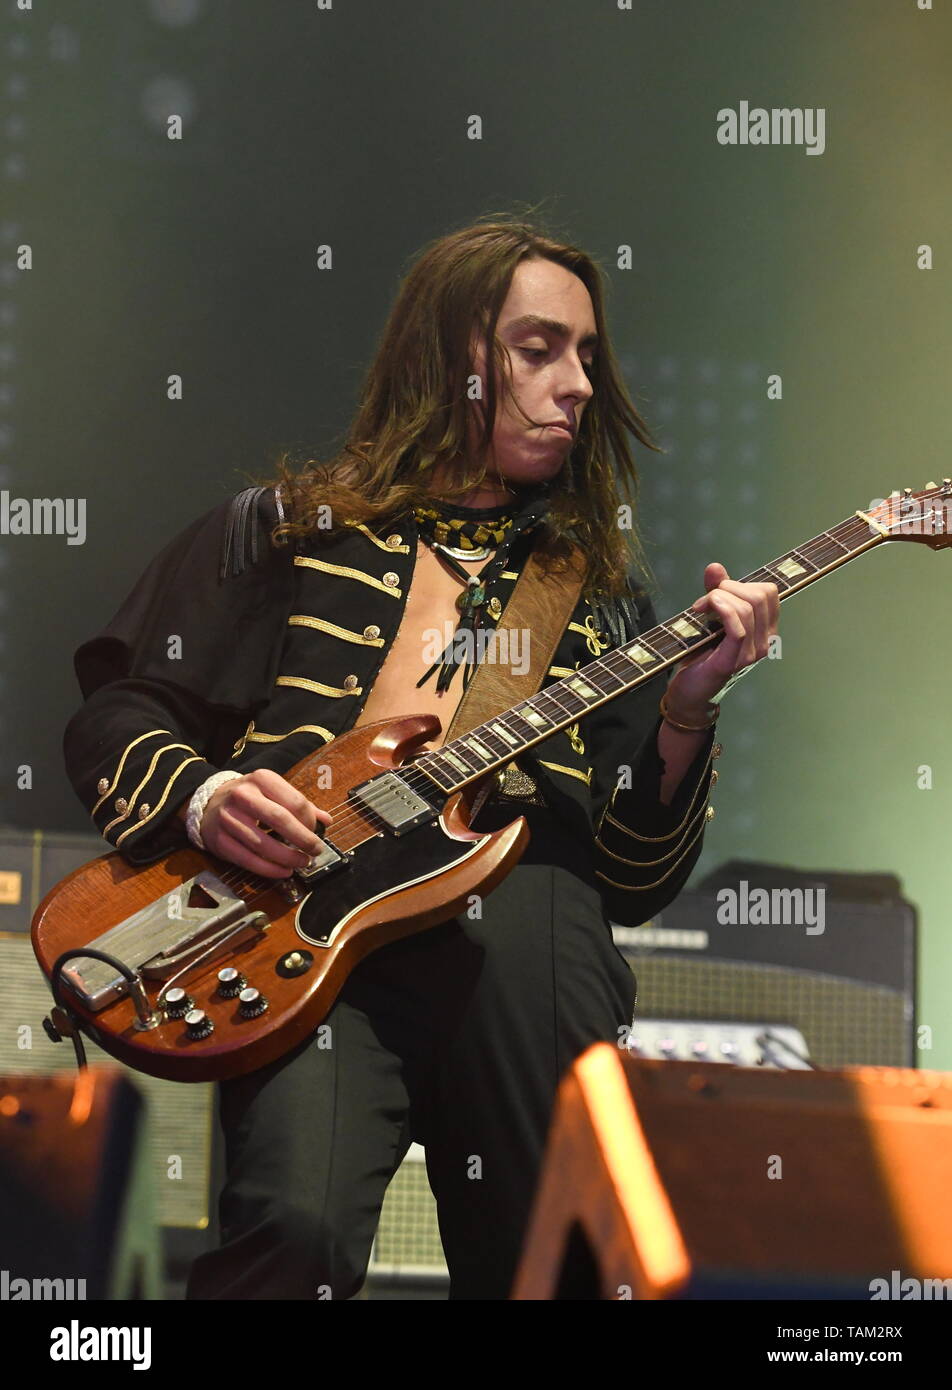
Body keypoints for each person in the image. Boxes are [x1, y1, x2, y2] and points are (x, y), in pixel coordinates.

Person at [63, 216, 779, 1300]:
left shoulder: (594, 597)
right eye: (540, 349)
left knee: (550, 1257)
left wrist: (686, 710)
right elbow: (118, 711)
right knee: (287, 1242)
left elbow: (634, 878)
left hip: (522, 927)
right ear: (452, 360)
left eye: (587, 355)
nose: (578, 382)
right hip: (303, 933)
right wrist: (207, 799)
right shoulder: (281, 532)